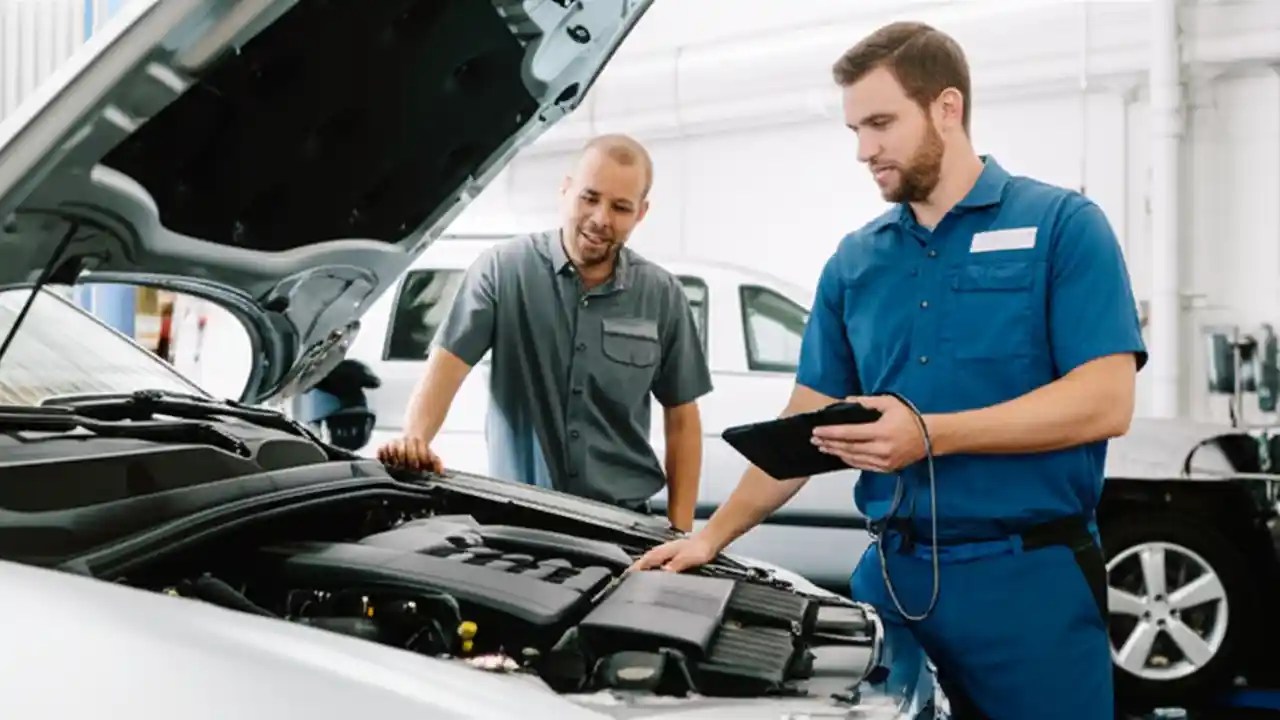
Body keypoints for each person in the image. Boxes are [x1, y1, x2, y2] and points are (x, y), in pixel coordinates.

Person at [631, 21, 1145, 720]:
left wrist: (929, 433)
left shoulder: (1062, 227)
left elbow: (1104, 401)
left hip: (1029, 583)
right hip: (890, 583)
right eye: (854, 130)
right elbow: (801, 428)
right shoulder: (855, 262)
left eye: (880, 123)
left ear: (947, 108)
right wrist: (710, 539)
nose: (864, 150)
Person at [378, 133, 712, 532]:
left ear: (641, 213)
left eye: (620, 207)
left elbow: (682, 420)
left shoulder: (663, 296)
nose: (601, 218)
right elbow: (446, 369)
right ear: (565, 190)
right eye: (590, 198)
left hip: (623, 527)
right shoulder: (503, 271)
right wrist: (414, 440)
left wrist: (681, 531)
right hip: (517, 521)